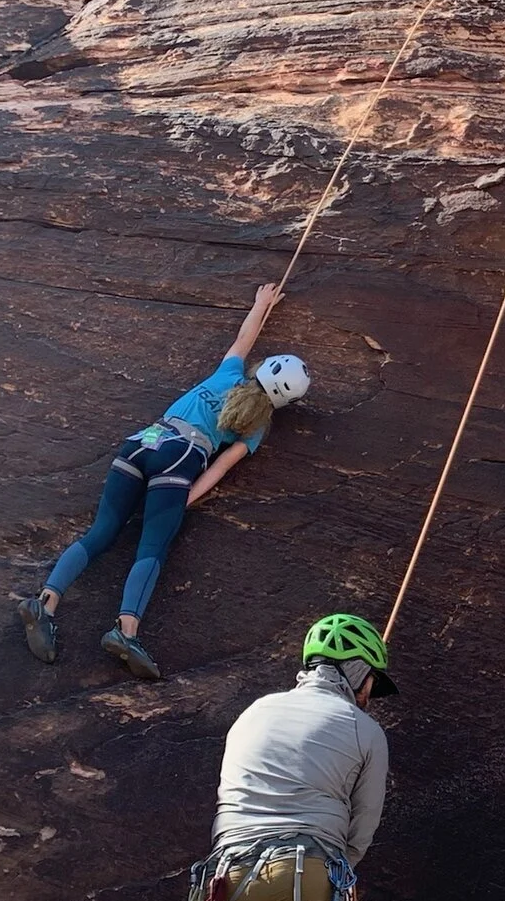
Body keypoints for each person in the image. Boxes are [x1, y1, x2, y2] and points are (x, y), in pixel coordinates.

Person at [18, 281, 310, 681]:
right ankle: (126, 632)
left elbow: (244, 337)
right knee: (152, 546)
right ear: (285, 402)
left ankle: (45, 604)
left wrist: (261, 304)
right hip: (182, 458)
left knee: (102, 531)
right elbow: (221, 467)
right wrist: (186, 497)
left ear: (262, 367)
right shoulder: (257, 426)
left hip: (145, 440)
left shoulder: (229, 374)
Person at [184, 613, 394, 901]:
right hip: (303, 884)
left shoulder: (254, 712)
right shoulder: (367, 732)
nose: (371, 694)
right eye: (372, 680)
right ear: (357, 673)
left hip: (225, 881)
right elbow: (361, 830)